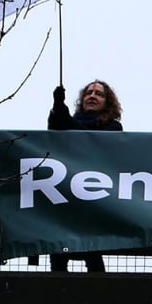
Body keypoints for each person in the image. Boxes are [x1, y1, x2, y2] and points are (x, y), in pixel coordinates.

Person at [47, 80, 123, 272]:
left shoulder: (113, 128)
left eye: (99, 93)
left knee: (92, 249)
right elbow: (54, 132)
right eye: (89, 92)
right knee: (58, 246)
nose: (92, 96)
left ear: (107, 102)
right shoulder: (67, 120)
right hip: (66, 192)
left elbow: (87, 138)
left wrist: (62, 115)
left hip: (94, 194)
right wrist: (57, 108)